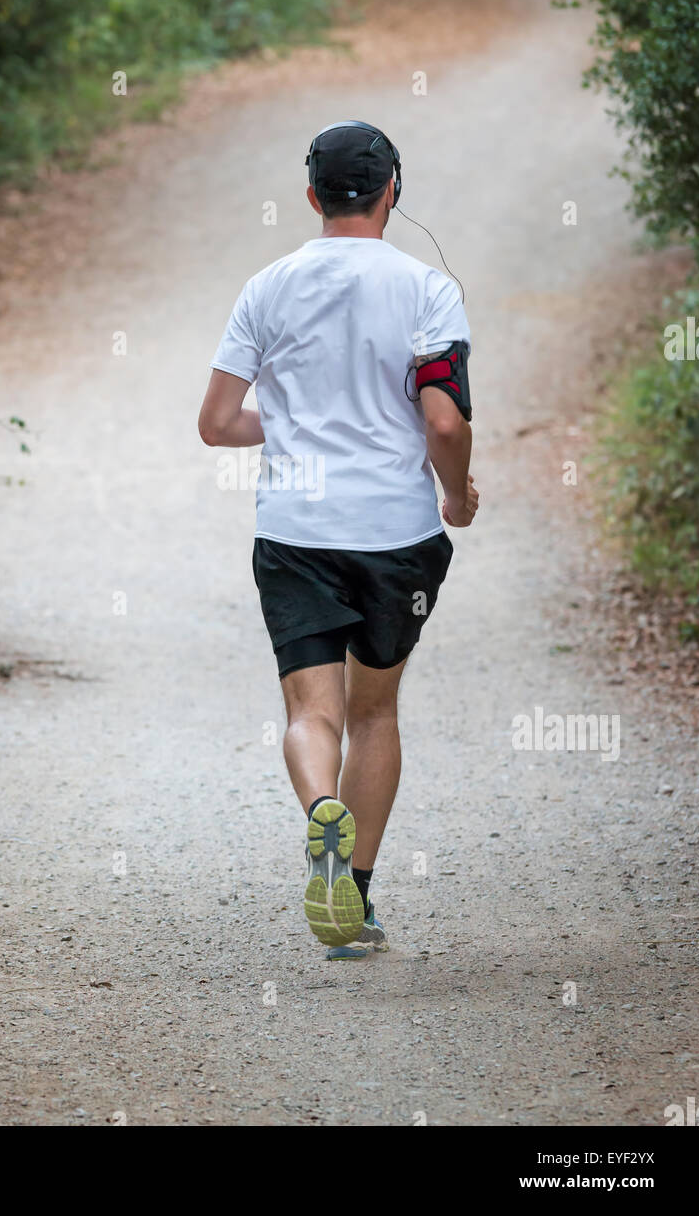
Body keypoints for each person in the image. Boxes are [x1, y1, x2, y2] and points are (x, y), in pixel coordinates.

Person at [199, 121, 478, 960]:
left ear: (313, 195)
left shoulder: (267, 287)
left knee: (309, 711)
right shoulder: (429, 290)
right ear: (394, 190)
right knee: (375, 710)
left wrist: (290, 428)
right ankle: (353, 890)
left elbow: (215, 423)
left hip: (295, 530)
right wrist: (457, 496)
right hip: (396, 533)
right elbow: (443, 417)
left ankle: (320, 807)